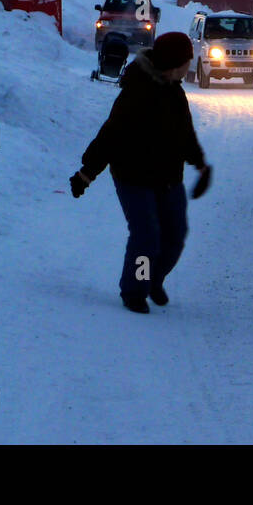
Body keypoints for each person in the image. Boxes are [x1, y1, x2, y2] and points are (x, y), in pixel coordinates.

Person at [69, 32, 209, 314]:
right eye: (186, 60)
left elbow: (184, 134)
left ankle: (153, 278)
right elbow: (110, 135)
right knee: (146, 236)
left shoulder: (176, 92)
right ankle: (135, 290)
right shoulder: (137, 93)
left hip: (169, 178)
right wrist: (87, 172)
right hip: (133, 177)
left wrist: (200, 164)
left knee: (175, 235)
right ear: (174, 62)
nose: (189, 66)